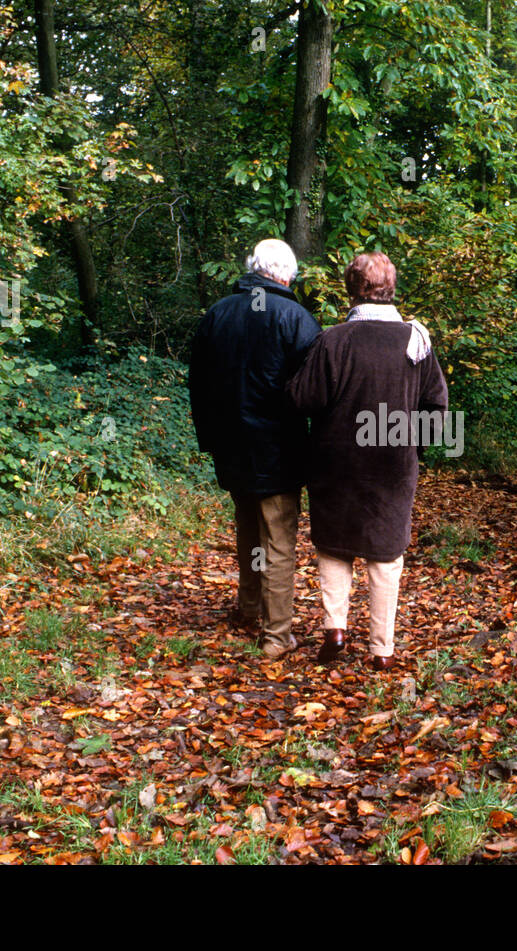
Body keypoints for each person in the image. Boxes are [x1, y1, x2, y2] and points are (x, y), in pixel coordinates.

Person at [286, 252, 448, 670]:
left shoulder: (333, 340)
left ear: (352, 288)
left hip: (335, 461)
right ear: (390, 288)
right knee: (386, 554)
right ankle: (382, 650)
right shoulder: (417, 341)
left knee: (334, 546)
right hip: (393, 462)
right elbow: (436, 406)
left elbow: (302, 398)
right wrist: (414, 450)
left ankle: (335, 629)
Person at [188, 239, 320, 659]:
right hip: (277, 450)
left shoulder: (218, 314)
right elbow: (315, 392)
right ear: (286, 275)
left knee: (249, 530)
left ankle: (248, 610)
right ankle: (276, 635)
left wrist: (209, 439)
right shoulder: (295, 318)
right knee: (277, 540)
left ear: (252, 268)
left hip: (231, 446)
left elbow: (198, 385)